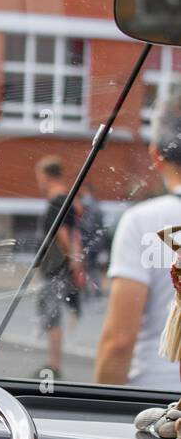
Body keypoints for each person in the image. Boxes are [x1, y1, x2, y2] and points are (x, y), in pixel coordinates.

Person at [94, 90, 181, 391]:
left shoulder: (142, 222)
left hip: (152, 396)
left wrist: (103, 405)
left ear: (156, 155)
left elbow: (120, 340)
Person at [34, 156, 84, 377]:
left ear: (45, 176)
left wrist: (72, 259)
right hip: (59, 265)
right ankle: (53, 362)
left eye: (39, 177)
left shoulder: (57, 201)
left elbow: (62, 232)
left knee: (52, 314)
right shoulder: (68, 198)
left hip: (55, 266)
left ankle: (53, 364)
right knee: (52, 313)